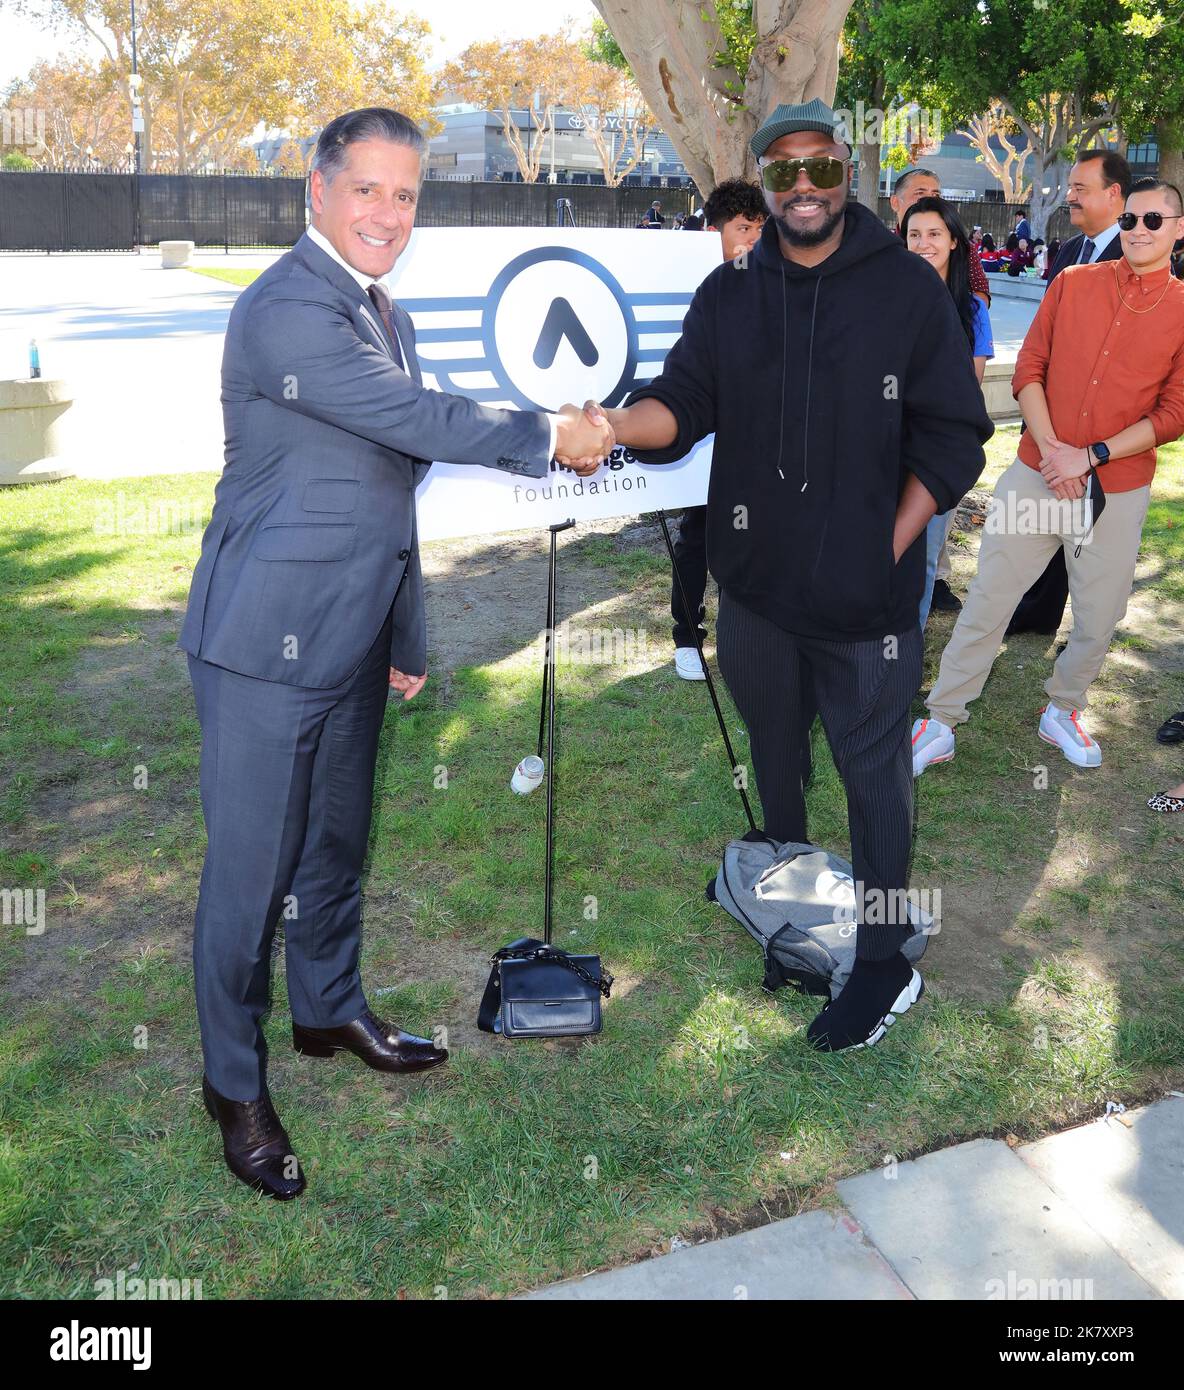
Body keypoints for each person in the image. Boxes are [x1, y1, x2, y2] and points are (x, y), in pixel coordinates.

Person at [179, 107, 612, 1200]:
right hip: (262, 644)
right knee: (248, 878)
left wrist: (401, 629)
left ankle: (326, 1013)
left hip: (353, 631)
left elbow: (390, 485)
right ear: (316, 192)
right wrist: (547, 434)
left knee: (334, 848)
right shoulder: (284, 309)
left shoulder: (388, 311)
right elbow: (413, 418)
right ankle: (233, 1084)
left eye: (405, 194)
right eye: (365, 188)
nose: (386, 213)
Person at [572, 99, 992, 1052]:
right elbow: (679, 405)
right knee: (775, 752)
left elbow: (955, 435)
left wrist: (887, 543)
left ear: (848, 173)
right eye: (785, 170)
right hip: (755, 592)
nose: (805, 186)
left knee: (875, 775)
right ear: (763, 183)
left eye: (822, 167)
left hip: (865, 603)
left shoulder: (904, 290)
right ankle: (799, 904)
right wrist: (608, 427)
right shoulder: (730, 294)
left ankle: (884, 966)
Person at [913, 178, 1184, 776]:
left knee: (1099, 613)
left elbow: (1173, 412)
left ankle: (1064, 707)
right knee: (989, 597)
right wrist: (1059, 451)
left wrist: (1089, 457)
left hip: (1114, 487)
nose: (1139, 230)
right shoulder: (1073, 283)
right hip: (1037, 473)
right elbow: (1028, 368)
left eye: (1154, 221)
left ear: (1177, 229)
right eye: (1132, 219)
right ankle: (941, 718)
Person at [1006, 148, 1133, 638]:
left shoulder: (1137, 255)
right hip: (1046, 420)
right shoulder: (1068, 252)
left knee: (1093, 535)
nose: (1069, 197)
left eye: (1080, 188)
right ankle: (1039, 611)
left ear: (1114, 194)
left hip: (1101, 433)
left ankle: (1087, 634)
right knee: (1043, 518)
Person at [670, 177, 768, 682]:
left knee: (749, 537)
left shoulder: (775, 281)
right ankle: (688, 636)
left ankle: (741, 635)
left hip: (754, 444)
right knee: (696, 537)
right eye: (741, 228)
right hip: (699, 437)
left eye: (759, 227)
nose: (750, 238)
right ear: (715, 230)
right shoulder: (692, 281)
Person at [901, 197, 994, 629]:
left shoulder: (972, 309)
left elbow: (967, 389)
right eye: (914, 234)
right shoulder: (886, 303)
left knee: (921, 563)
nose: (923, 244)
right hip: (884, 446)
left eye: (934, 234)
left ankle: (903, 666)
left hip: (937, 453)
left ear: (954, 241)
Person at [890, 167, 991, 307]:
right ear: (895, 202)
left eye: (935, 195)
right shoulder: (883, 248)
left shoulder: (963, 248)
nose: (929, 200)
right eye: (920, 193)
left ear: (953, 242)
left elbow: (981, 294)